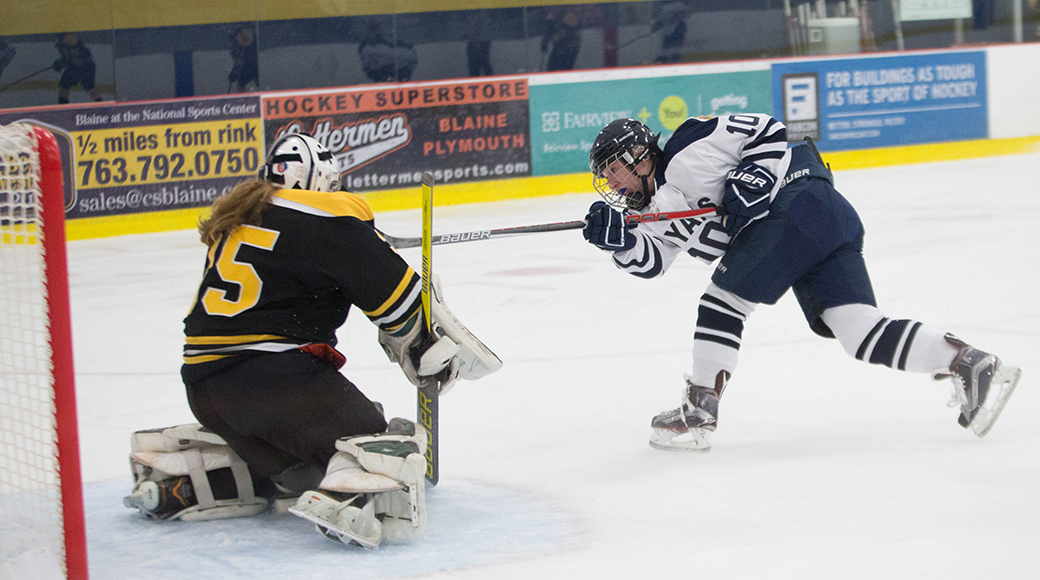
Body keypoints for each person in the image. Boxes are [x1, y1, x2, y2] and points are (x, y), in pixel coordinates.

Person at [122, 133, 501, 548]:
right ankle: (347, 497)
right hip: (275, 385)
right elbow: (407, 309)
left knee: (306, 459)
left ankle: (210, 476)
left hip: (207, 392)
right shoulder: (327, 217)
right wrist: (427, 347)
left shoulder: (246, 214)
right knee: (371, 439)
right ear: (322, 179)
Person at [582, 116, 1022, 452]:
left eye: (615, 169)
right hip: (820, 219)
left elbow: (768, 130)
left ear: (640, 155)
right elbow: (652, 262)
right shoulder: (656, 208)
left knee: (722, 303)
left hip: (799, 199)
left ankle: (699, 412)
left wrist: (750, 173)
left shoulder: (687, 145)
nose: (613, 183)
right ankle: (969, 362)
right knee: (859, 331)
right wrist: (618, 242)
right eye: (607, 176)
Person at [53, 32, 101, 104]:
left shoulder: (83, 50)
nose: (67, 40)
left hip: (85, 68)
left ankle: (101, 106)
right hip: (74, 68)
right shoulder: (63, 46)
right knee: (63, 88)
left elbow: (83, 59)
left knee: (91, 89)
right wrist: (61, 63)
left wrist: (65, 62)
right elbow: (66, 58)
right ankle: (63, 107)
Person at [228, 24, 258, 93]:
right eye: (238, 35)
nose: (239, 37)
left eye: (244, 35)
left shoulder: (254, 51)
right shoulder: (237, 51)